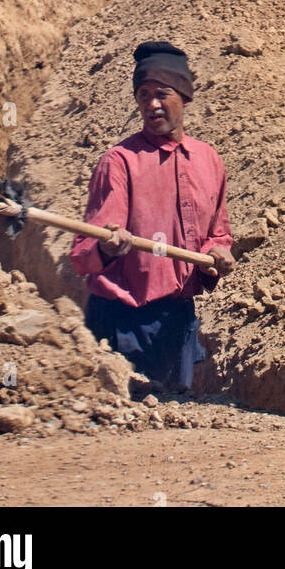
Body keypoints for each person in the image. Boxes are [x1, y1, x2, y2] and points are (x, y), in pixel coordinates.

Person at [71, 40, 234, 393]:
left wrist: (217, 253)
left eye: (162, 93)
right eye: (143, 95)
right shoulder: (119, 162)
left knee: (174, 429)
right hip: (123, 322)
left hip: (178, 321)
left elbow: (218, 234)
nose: (152, 104)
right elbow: (84, 252)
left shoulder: (209, 161)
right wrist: (109, 247)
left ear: (185, 97)